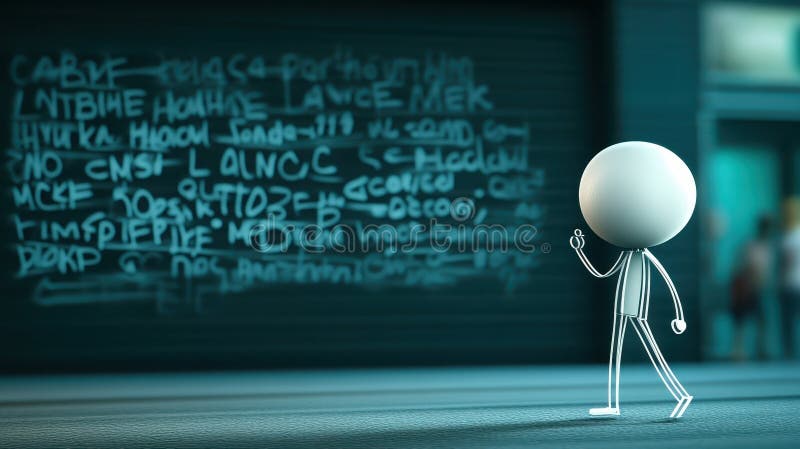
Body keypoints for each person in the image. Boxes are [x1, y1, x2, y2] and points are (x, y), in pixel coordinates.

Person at [570, 141, 696, 418]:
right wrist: (580, 251)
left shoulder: (643, 254)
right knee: (616, 352)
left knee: (652, 352)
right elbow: (602, 274)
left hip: (636, 311)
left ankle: (682, 395)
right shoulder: (628, 254)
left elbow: (666, 279)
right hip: (622, 309)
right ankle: (613, 405)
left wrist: (679, 314)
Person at [730, 215, 772, 361]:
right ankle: (738, 352)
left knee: (760, 321)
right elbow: (745, 266)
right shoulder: (752, 246)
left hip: (757, 289)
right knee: (742, 322)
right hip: (747, 289)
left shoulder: (765, 246)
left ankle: (760, 349)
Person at [781, 199, 800, 359]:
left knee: (789, 321)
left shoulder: (788, 237)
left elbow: (787, 262)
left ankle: (790, 353)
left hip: (790, 284)